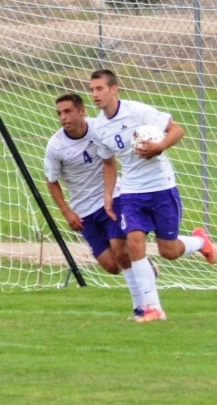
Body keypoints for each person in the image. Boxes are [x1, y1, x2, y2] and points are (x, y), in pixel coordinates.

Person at [88, 69, 217, 323]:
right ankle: (152, 308)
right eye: (91, 90)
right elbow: (109, 163)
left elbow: (177, 130)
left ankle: (200, 242)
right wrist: (108, 195)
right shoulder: (99, 127)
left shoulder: (137, 112)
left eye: (99, 89)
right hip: (132, 191)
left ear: (114, 89)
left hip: (161, 187)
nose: (94, 95)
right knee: (134, 241)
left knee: (168, 250)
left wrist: (159, 146)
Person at [44, 93, 152, 319]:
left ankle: (140, 307)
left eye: (68, 111)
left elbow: (111, 159)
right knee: (112, 266)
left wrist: (109, 195)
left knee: (121, 250)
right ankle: (143, 263)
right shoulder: (55, 147)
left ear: (82, 111)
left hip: (113, 198)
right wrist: (67, 212)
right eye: (59, 113)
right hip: (84, 210)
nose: (63, 117)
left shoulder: (99, 129)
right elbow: (51, 182)